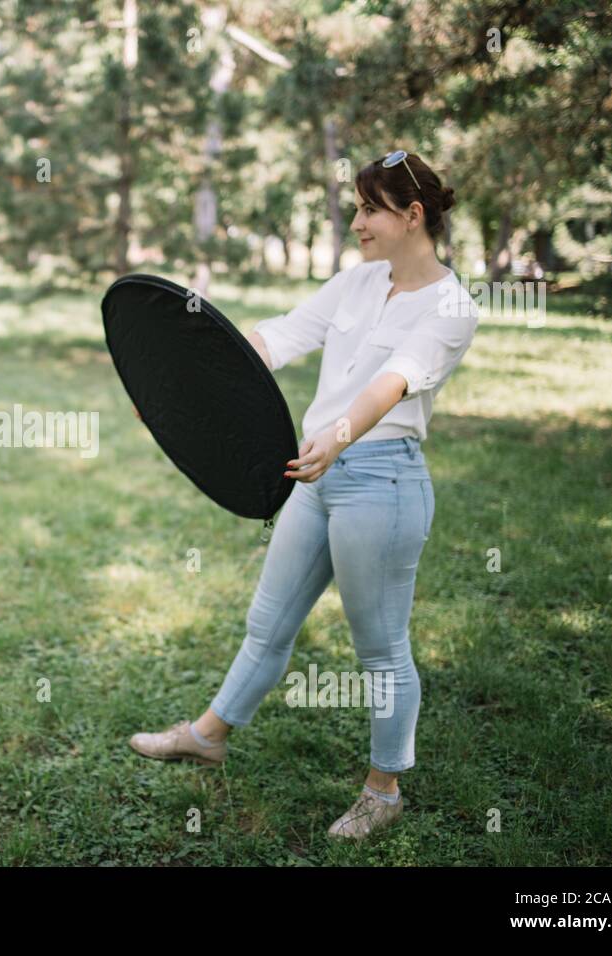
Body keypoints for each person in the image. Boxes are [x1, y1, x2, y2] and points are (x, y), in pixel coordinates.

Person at [129, 151, 477, 841]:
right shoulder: (358, 282)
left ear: (413, 216)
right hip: (316, 479)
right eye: (356, 207)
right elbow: (277, 337)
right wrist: (179, 388)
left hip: (382, 484)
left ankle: (384, 790)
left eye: (370, 209)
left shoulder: (451, 306)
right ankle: (208, 735)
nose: (357, 223)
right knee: (268, 623)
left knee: (380, 649)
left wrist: (341, 433)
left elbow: (397, 380)